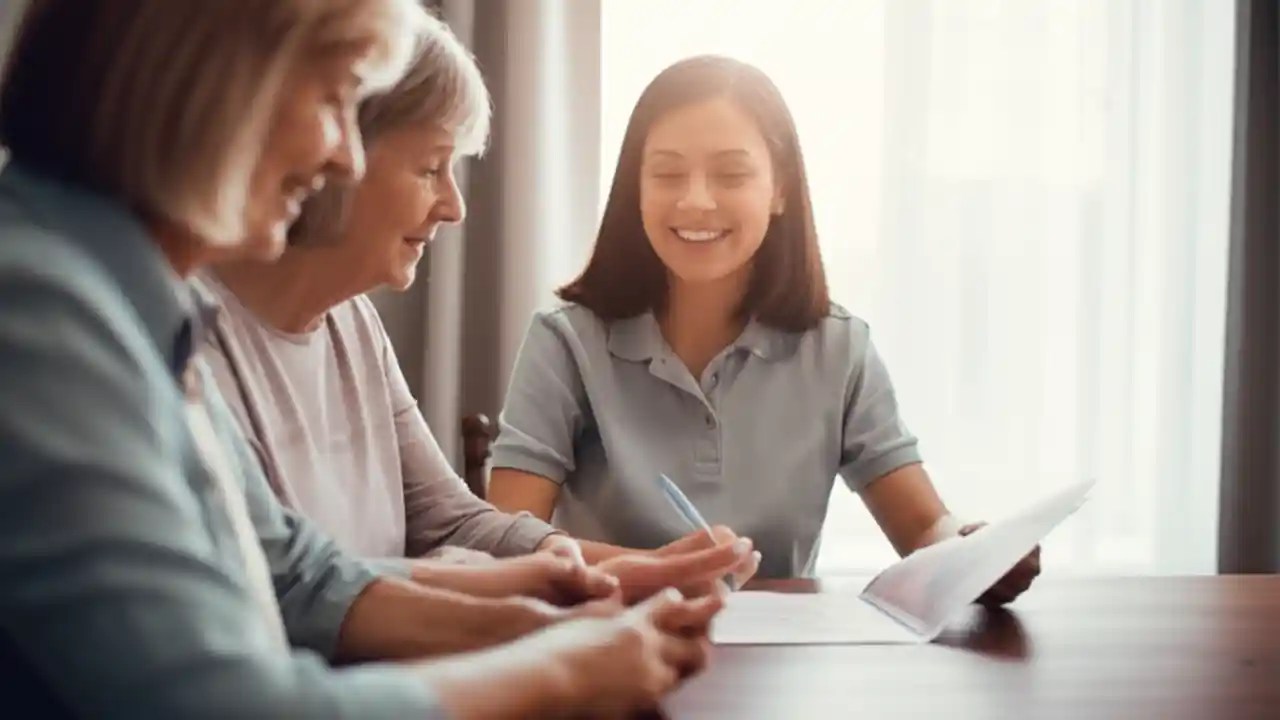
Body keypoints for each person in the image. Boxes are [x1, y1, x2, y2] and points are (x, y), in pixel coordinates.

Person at [0, 3, 733, 717]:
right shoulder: (36, 307)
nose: (342, 155)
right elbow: (220, 702)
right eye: (331, 100)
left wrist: (547, 623)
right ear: (214, 86)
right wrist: (565, 671)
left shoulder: (136, 303)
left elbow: (293, 576)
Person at [201, 14, 758, 603]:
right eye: (430, 168)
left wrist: (644, 569)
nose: (454, 206)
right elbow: (287, 596)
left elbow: (454, 523)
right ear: (338, 149)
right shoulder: (194, 335)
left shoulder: (352, 322)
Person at [487, 55, 1040, 603]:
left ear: (779, 191)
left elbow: (925, 529)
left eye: (730, 174)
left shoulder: (841, 348)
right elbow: (508, 542)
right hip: (605, 650)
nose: (695, 199)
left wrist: (975, 551)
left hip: (774, 666)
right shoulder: (564, 341)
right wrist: (653, 571)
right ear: (636, 190)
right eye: (667, 173)